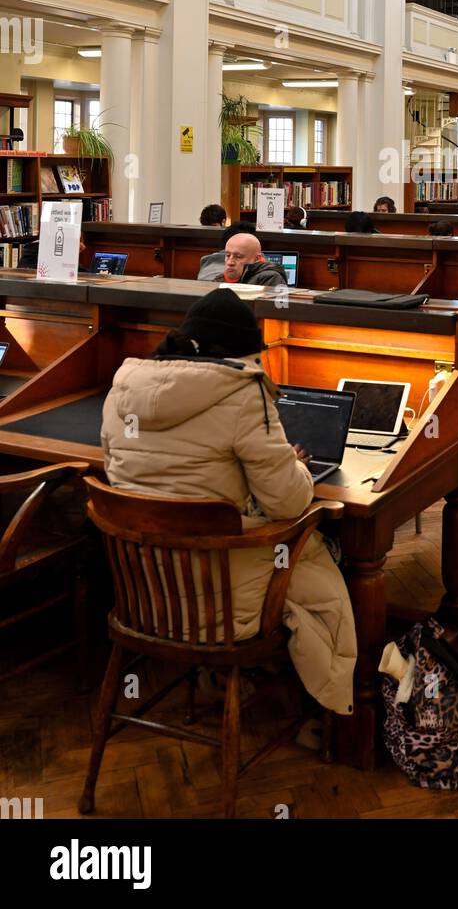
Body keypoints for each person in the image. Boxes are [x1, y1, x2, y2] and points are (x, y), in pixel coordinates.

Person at [100, 288, 356, 716]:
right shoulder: (244, 394)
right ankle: (334, 717)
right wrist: (293, 467)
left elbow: (118, 471)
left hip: (146, 594)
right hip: (220, 599)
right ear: (241, 354)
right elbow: (289, 503)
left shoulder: (122, 389)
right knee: (324, 558)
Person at [223, 231, 288, 286]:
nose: (230, 262)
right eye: (228, 255)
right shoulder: (220, 278)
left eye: (238, 257)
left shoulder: (271, 278)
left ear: (257, 259)